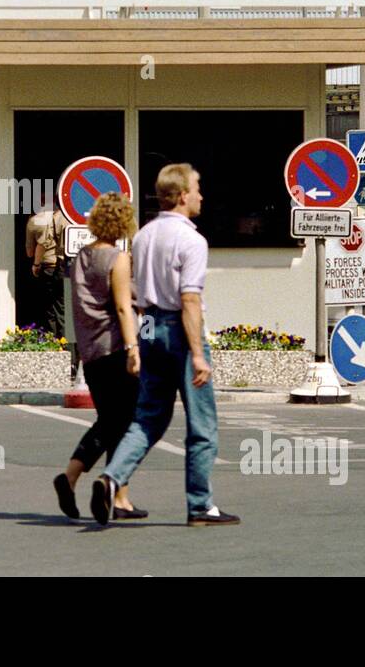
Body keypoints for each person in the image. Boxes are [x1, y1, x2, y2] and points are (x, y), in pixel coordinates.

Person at [91, 164, 238, 527]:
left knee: (148, 417)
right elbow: (189, 299)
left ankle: (112, 477)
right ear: (183, 195)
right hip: (178, 329)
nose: (201, 196)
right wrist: (198, 355)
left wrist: (138, 345)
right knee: (202, 423)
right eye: (197, 189)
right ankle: (200, 505)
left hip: (150, 325)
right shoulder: (192, 241)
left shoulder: (143, 236)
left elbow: (140, 296)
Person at [53, 192, 144, 521]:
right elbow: (121, 307)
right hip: (115, 349)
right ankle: (114, 493)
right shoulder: (117, 259)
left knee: (110, 421)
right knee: (126, 422)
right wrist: (133, 348)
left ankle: (79, 480)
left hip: (89, 351)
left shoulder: (81, 257)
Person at [25, 200, 68, 336]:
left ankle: (55, 341)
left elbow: (32, 251)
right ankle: (66, 342)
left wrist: (36, 265)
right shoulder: (68, 218)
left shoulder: (35, 221)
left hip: (48, 267)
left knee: (50, 309)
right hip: (68, 265)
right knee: (63, 307)